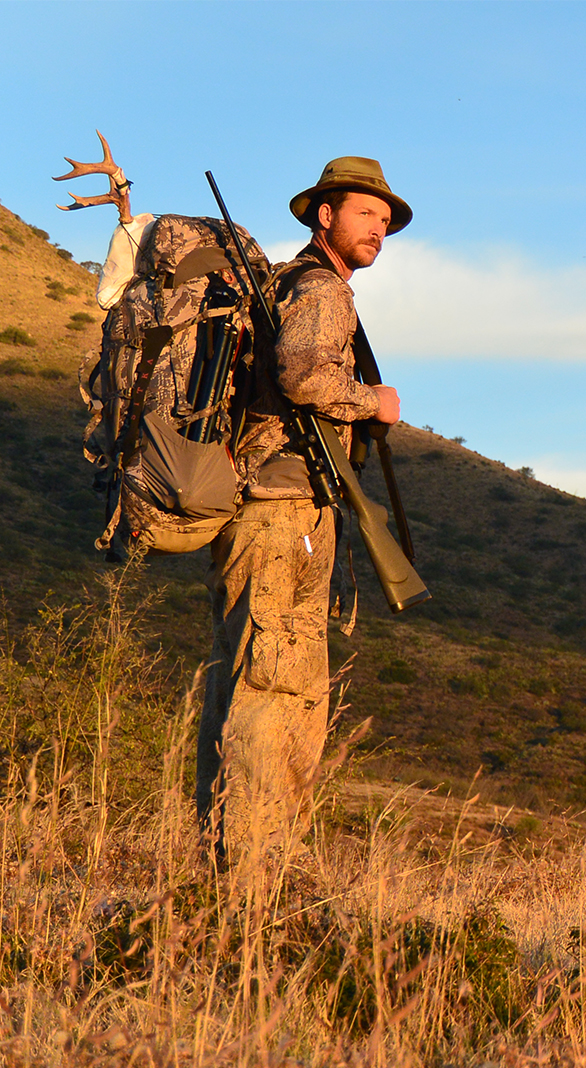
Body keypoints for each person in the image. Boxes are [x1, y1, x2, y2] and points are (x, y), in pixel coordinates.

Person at [196, 157, 410, 863]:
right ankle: (253, 874)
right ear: (325, 215)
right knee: (276, 689)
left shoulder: (286, 285)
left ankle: (223, 865)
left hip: (264, 510)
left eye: (385, 220)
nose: (377, 228)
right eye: (364, 213)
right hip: (284, 512)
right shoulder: (322, 290)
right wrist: (373, 402)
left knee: (243, 684)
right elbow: (303, 374)